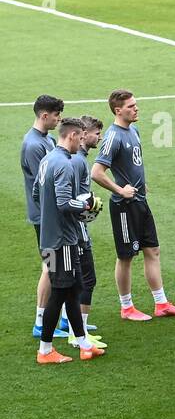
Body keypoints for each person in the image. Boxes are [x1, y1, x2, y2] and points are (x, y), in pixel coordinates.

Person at [91, 89, 175, 321]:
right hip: (124, 206)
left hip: (140, 202)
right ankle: (126, 308)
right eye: (131, 106)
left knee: (152, 250)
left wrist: (140, 185)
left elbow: (132, 164)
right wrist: (120, 190)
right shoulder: (113, 136)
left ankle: (161, 303)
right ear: (118, 110)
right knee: (126, 256)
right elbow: (96, 172)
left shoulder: (133, 130)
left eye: (136, 104)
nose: (136, 108)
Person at [33, 118, 103, 363]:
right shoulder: (63, 163)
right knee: (61, 291)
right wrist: (87, 204)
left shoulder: (47, 160)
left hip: (49, 238)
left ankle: (84, 344)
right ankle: (45, 350)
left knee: (73, 289)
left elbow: (36, 194)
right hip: (63, 240)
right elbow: (64, 203)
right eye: (81, 136)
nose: (82, 141)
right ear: (72, 135)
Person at [22, 94, 66, 339]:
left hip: (51, 216)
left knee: (57, 266)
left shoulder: (46, 139)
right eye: (56, 115)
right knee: (51, 267)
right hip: (44, 218)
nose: (58, 119)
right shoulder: (33, 145)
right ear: (44, 115)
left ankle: (61, 319)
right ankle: (40, 322)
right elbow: (44, 185)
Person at [71, 117, 106, 349]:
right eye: (96, 133)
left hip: (74, 228)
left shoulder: (78, 159)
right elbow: (71, 198)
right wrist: (87, 207)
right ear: (83, 134)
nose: (99, 137)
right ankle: (78, 334)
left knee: (79, 280)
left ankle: (79, 330)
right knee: (86, 280)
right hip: (76, 230)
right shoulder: (78, 161)